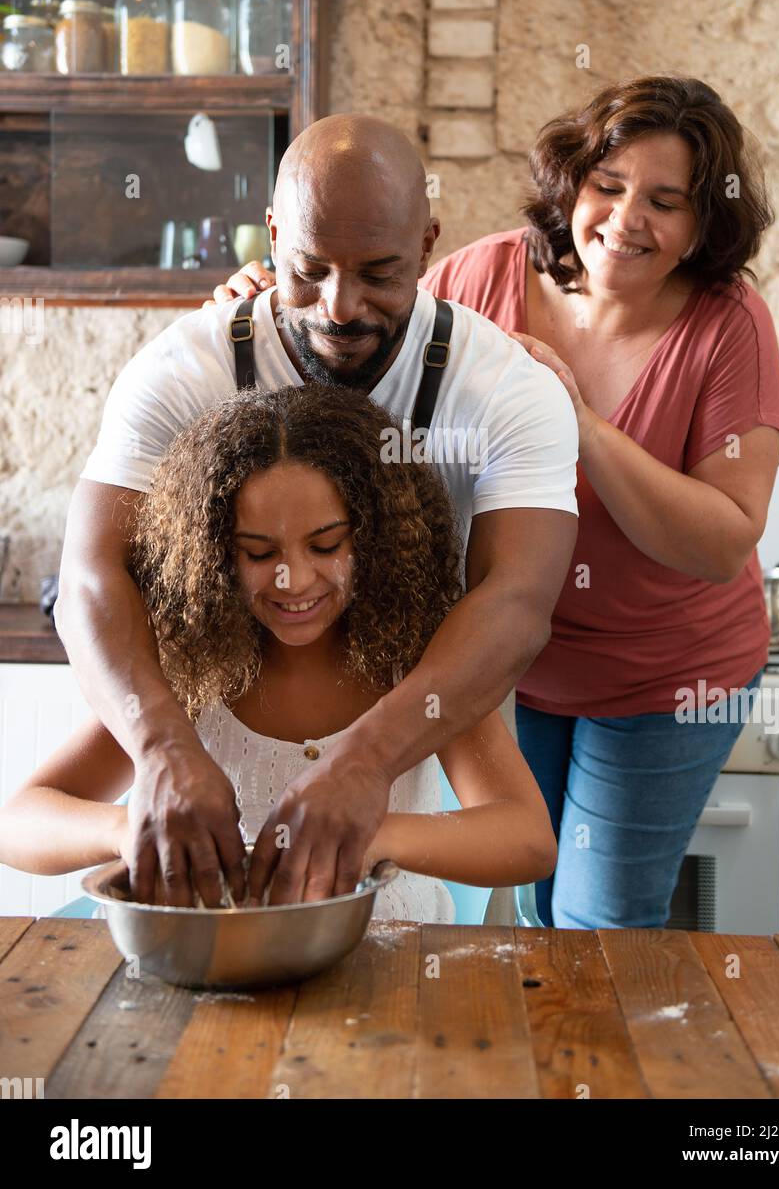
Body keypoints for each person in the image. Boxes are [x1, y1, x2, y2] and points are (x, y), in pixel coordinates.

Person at [217, 76, 779, 929]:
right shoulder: (480, 275)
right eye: (608, 186)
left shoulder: (728, 326)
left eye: (665, 201)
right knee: (526, 910)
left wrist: (584, 427)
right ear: (572, 185)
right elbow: (358, 354)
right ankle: (561, 1067)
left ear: (703, 223)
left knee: (599, 923)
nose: (627, 219)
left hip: (664, 679)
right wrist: (267, 318)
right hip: (502, 665)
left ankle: (600, 1062)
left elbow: (719, 543)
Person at [55, 114, 578, 910]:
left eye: (377, 271)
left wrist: (364, 768)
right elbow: (92, 573)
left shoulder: (507, 392)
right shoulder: (178, 374)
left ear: (429, 243)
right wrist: (160, 751)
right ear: (270, 235)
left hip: (431, 704)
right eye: (307, 270)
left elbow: (515, 601)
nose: (339, 306)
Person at [1, 386, 557, 919]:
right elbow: (16, 824)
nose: (293, 580)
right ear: (214, 552)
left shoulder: (417, 665)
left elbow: (528, 839)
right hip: (206, 969)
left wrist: (372, 833)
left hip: (391, 972)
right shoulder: (191, 670)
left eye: (326, 545)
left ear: (374, 538)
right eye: (258, 552)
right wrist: (126, 830)